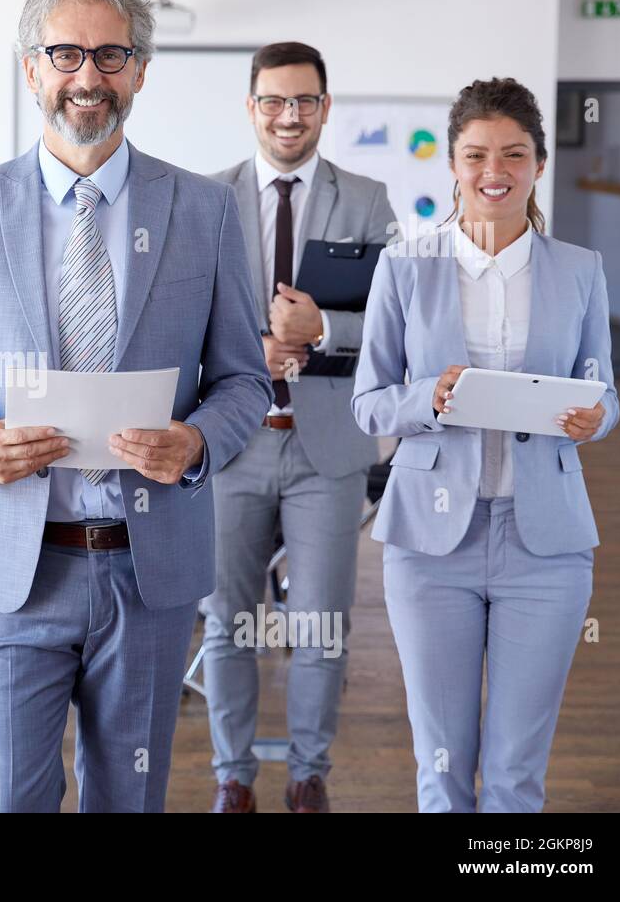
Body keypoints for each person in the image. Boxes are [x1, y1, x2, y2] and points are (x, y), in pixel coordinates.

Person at [0, 0, 271, 813]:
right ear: (32, 69)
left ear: (139, 70)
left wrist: (198, 440)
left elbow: (246, 377)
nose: (87, 76)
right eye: (65, 53)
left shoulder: (204, 210)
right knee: (9, 802)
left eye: (110, 54)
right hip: (12, 568)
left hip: (148, 570)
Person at [351, 77, 619, 812]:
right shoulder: (405, 266)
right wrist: (429, 397)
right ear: (453, 164)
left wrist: (598, 418)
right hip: (431, 545)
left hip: (548, 545)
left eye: (513, 154)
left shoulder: (579, 270)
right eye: (475, 155)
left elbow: (604, 390)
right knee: (441, 766)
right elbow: (369, 403)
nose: (493, 170)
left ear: (536, 164)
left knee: (515, 774)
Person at [202, 42, 398, 813]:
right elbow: (184, 320)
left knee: (320, 625)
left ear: (324, 106)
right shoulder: (209, 199)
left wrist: (322, 329)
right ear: (252, 107)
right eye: (275, 101)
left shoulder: (369, 198)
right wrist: (250, 345)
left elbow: (393, 321)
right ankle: (232, 775)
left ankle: (310, 773)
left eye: (305, 101)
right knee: (230, 621)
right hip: (233, 444)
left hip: (327, 447)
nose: (289, 116)